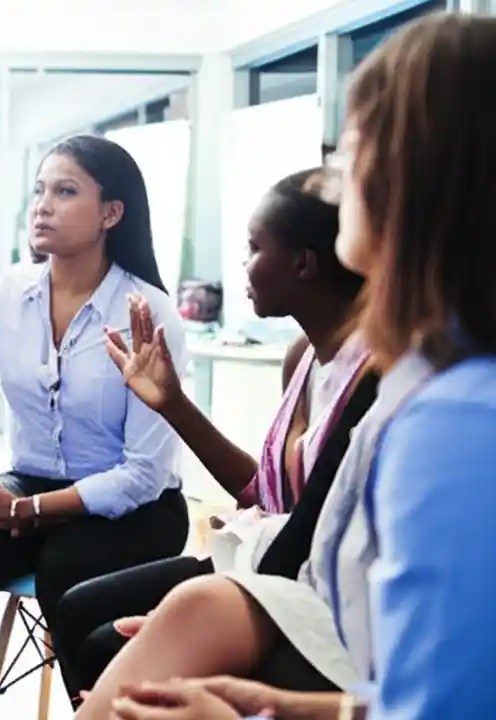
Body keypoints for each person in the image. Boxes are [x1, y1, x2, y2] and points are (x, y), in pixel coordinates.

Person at [77, 12, 496, 720]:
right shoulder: (416, 379)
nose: (334, 182)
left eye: (351, 151)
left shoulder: (453, 417)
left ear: (411, 177)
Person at [0, 135, 190, 719]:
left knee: (66, 573)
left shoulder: (148, 312)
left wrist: (30, 513)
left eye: (65, 191)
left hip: (137, 510)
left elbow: (145, 475)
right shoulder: (8, 294)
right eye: (39, 190)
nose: (42, 205)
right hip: (31, 485)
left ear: (111, 213)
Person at [53, 168, 377, 702]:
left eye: (254, 247)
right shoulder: (302, 358)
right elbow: (264, 494)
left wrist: (184, 623)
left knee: (105, 642)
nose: (243, 265)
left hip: (312, 588)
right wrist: (174, 405)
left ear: (303, 263)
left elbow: (311, 538)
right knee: (79, 609)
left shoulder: (372, 373)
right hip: (269, 557)